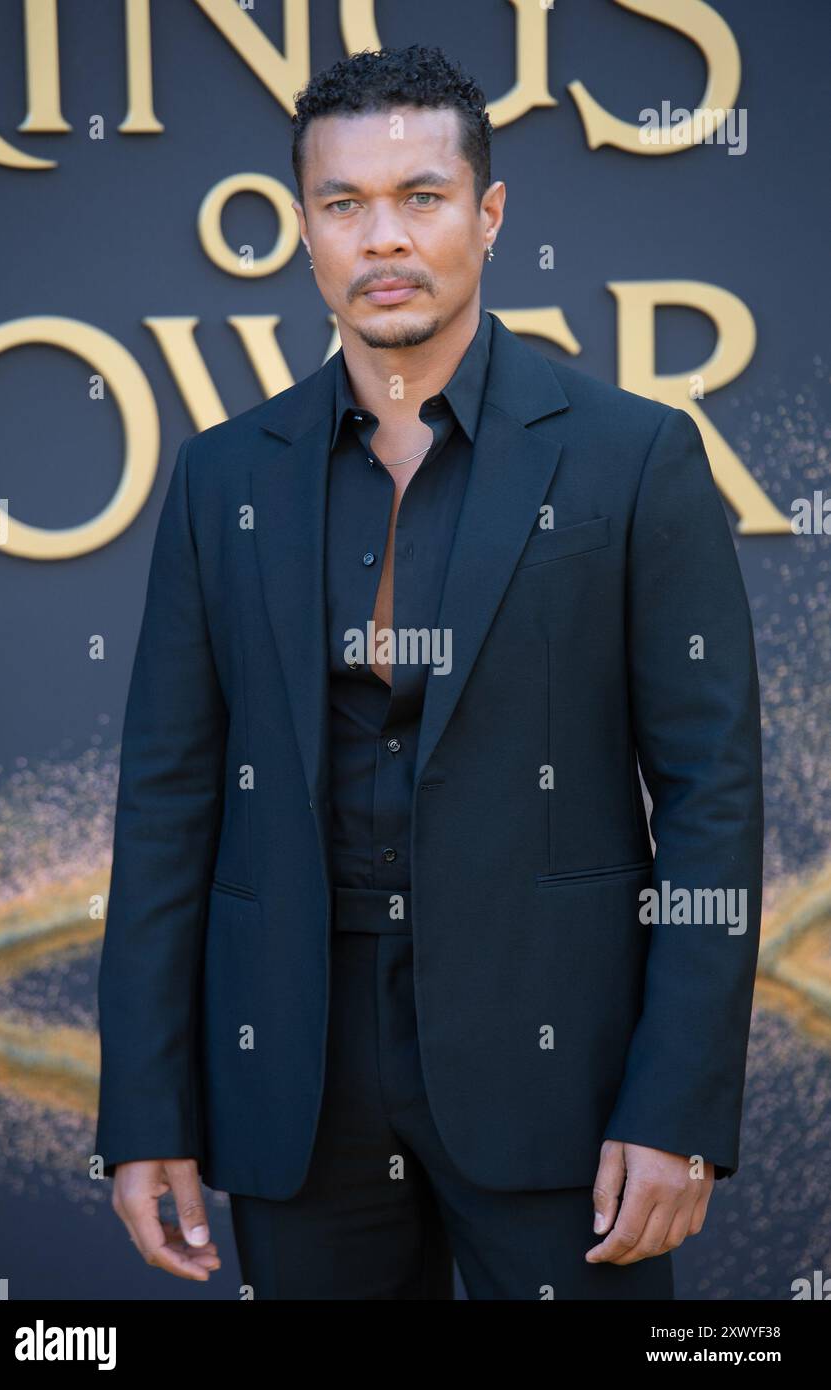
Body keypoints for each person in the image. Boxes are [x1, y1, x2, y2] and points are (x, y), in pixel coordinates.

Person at [95, 45, 764, 1300]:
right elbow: (167, 803)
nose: (382, 238)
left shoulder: (634, 458)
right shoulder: (222, 477)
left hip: (562, 1081)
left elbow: (710, 803)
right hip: (294, 1082)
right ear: (303, 232)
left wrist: (676, 1101)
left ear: (489, 214)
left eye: (422, 196)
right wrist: (145, 1106)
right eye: (343, 205)